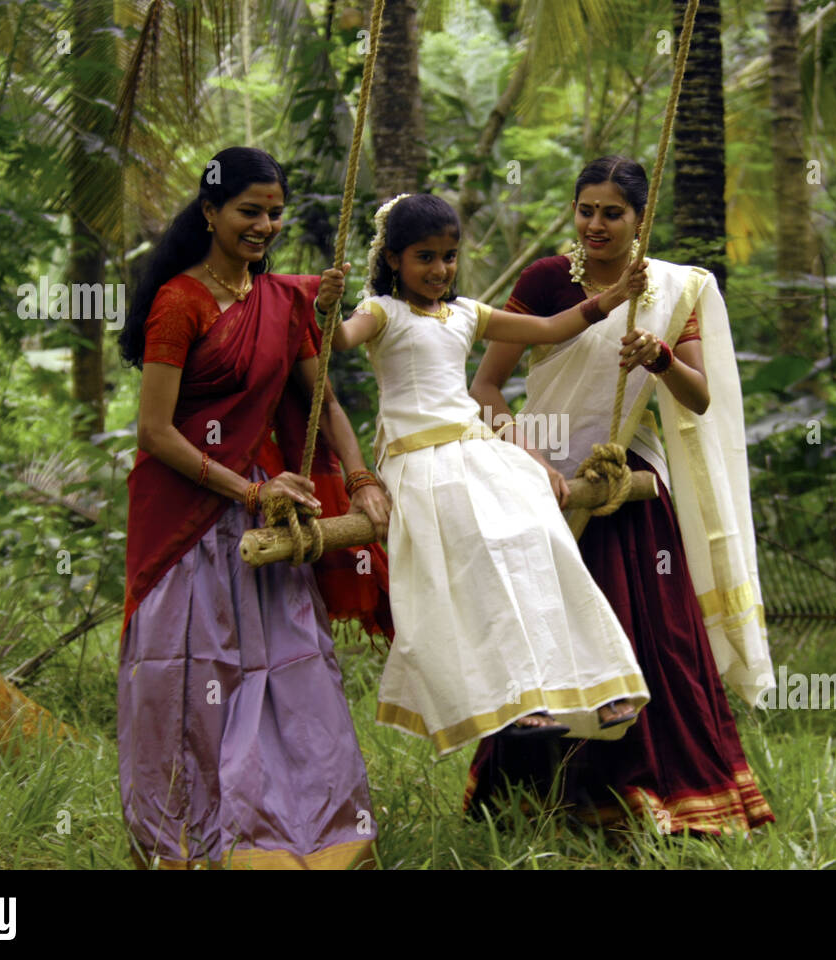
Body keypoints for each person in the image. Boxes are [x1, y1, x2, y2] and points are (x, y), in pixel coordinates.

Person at [464, 156, 776, 835]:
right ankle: (539, 801)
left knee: (651, 640)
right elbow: (485, 389)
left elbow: (698, 396)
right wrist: (526, 455)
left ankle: (657, 797)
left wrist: (660, 357)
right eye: (586, 210)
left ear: (640, 219)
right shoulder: (547, 281)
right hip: (550, 485)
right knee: (552, 640)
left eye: (613, 213)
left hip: (631, 485)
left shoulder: (669, 290)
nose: (596, 225)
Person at [116, 146, 390, 869]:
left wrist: (361, 478)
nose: (265, 223)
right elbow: (154, 430)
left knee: (289, 669)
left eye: (274, 211)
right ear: (210, 212)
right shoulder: (180, 302)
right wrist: (246, 489)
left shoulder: (284, 301)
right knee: (191, 675)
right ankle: (192, 838)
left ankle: (307, 832)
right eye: (249, 210)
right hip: (186, 517)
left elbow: (321, 398)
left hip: (269, 516)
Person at [323, 192, 651, 758]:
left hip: (478, 451)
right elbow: (339, 341)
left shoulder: (467, 313)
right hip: (419, 459)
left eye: (449, 256)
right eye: (424, 257)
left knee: (540, 538)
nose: (440, 269)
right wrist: (325, 309)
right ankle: (512, 698)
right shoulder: (382, 312)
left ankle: (594, 683)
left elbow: (549, 328)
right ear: (394, 259)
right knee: (477, 553)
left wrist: (614, 299)